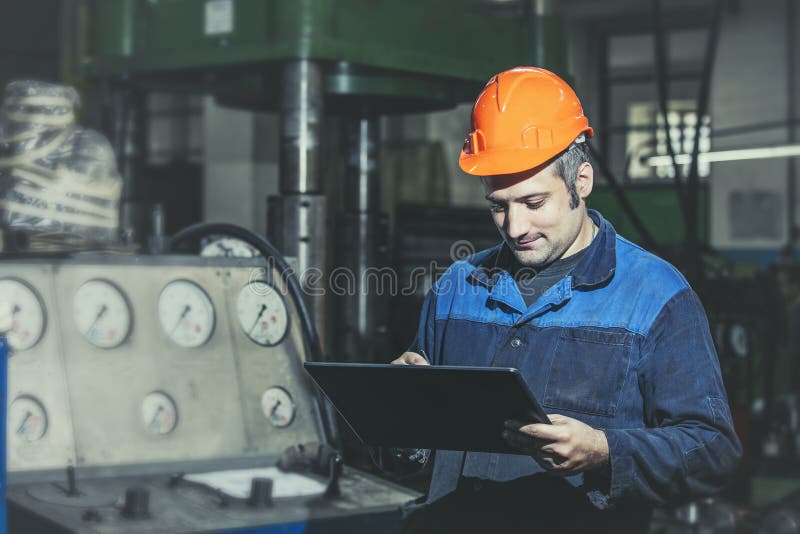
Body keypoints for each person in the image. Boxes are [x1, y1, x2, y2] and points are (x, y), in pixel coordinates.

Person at [392, 66, 742, 533]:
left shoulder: (656, 297)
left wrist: (605, 451)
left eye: (534, 203)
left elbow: (713, 451)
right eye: (498, 206)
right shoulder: (457, 288)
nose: (514, 227)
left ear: (581, 181)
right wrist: (399, 415)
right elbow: (414, 454)